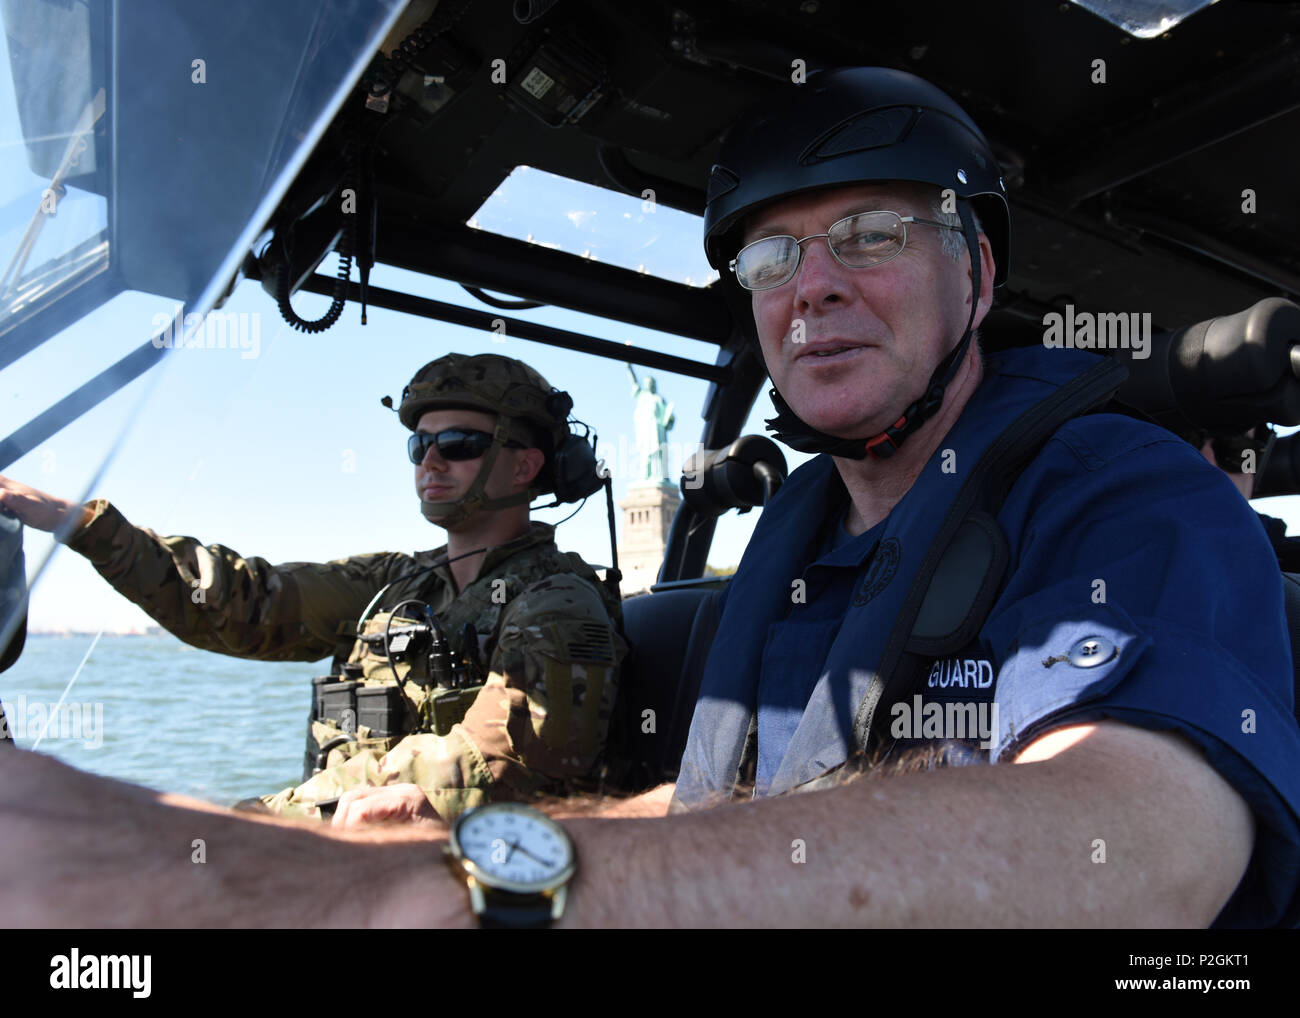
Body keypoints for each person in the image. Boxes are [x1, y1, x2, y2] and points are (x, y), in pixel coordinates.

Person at [2, 66, 1298, 929]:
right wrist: (405, 851)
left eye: (873, 234)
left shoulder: (1123, 495)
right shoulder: (800, 527)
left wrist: (417, 897)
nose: (814, 284)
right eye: (774, 251)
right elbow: (720, 824)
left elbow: (1140, 848)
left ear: (979, 261)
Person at [0, 352, 626, 827]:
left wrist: (263, 819)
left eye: (458, 444)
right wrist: (80, 523)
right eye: (420, 444)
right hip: (339, 850)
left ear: (524, 465)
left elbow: (490, 761)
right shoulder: (391, 582)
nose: (430, 462)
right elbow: (243, 602)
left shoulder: (559, 601)